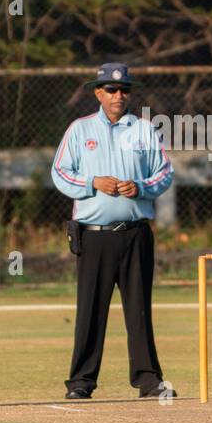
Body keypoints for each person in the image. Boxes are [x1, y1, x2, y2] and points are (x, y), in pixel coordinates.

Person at [51, 62, 175, 400]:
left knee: (139, 309)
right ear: (98, 93)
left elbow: (164, 174)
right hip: (94, 234)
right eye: (111, 89)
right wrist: (92, 182)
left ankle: (148, 379)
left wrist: (141, 187)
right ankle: (81, 382)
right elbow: (59, 173)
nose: (119, 95)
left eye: (124, 90)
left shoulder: (145, 129)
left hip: (135, 233)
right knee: (91, 309)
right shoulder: (80, 130)